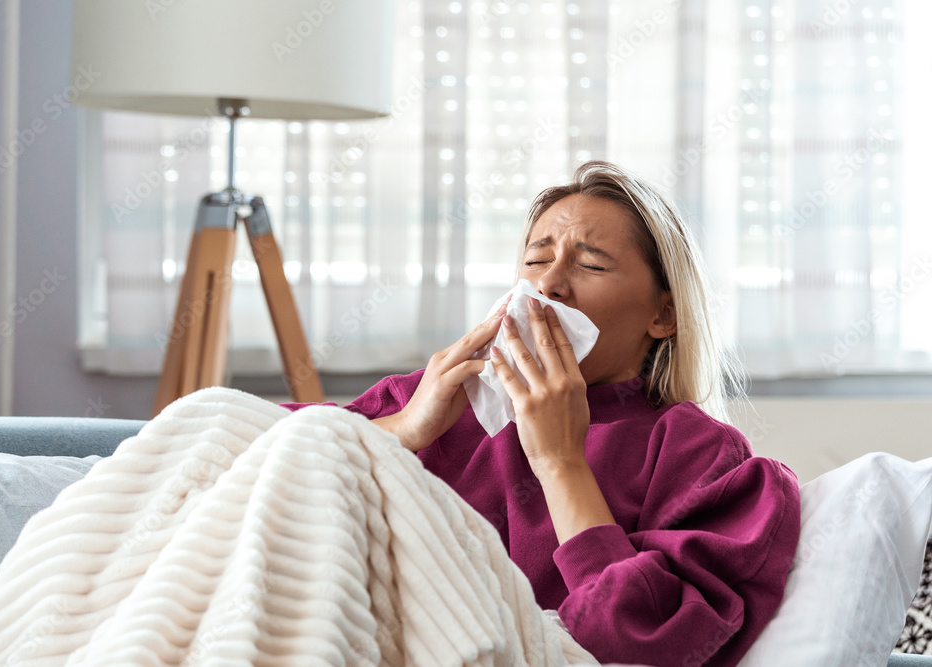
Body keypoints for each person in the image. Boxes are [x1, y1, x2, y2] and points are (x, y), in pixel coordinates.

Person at [295, 160, 801, 666]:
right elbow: (244, 461)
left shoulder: (694, 452)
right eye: (536, 261)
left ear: (663, 314)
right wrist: (400, 430)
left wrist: (561, 462)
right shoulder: (435, 398)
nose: (550, 285)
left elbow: (650, 639)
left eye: (592, 265)